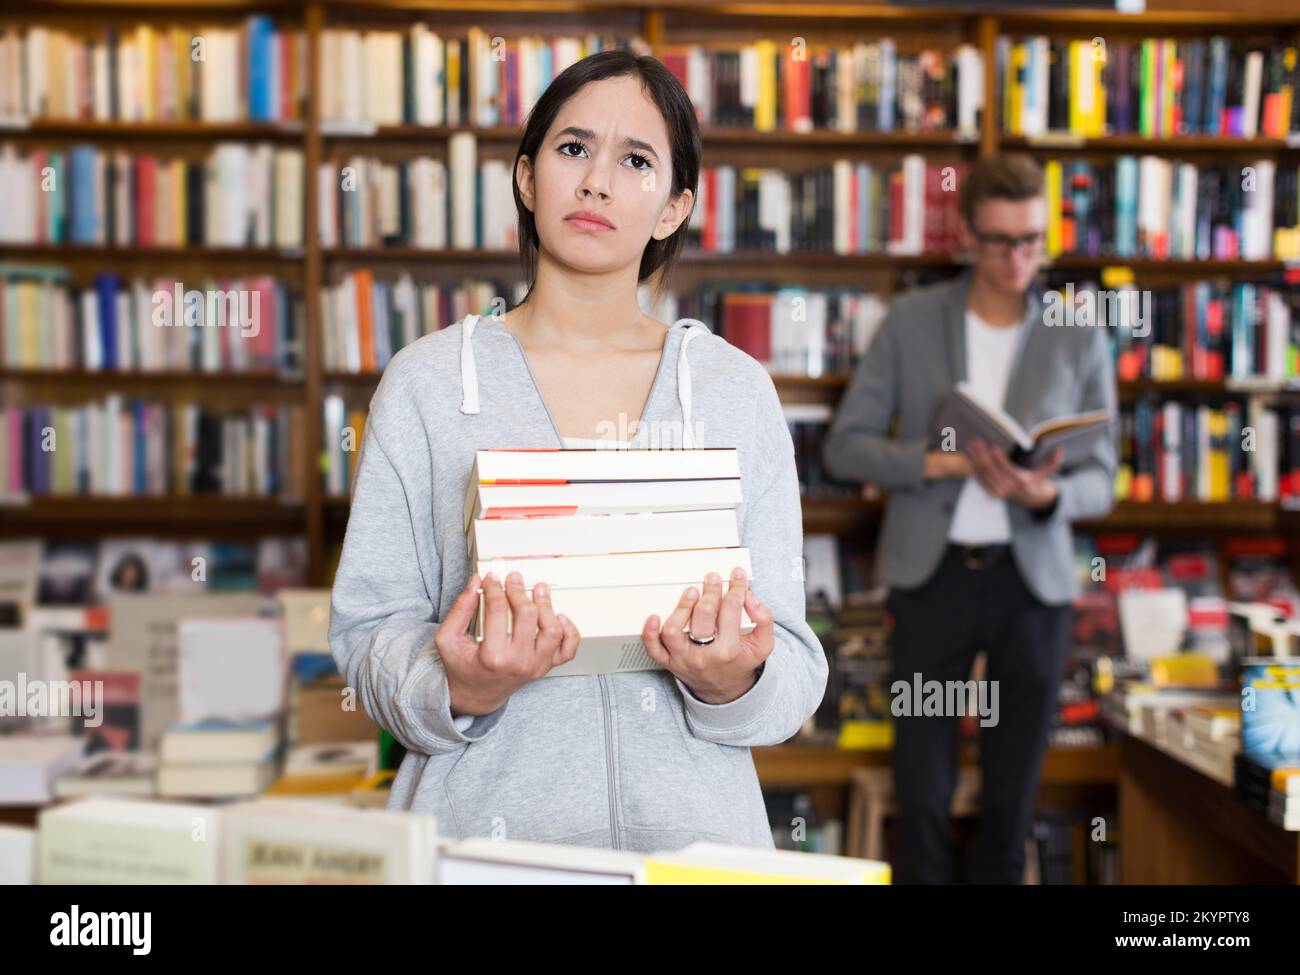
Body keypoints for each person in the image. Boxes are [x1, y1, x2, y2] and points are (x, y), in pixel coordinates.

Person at [328, 50, 827, 852]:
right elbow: (366, 629)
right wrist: (459, 683)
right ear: (527, 179)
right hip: (485, 849)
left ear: (673, 206)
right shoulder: (425, 385)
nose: (597, 180)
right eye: (572, 149)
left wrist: (731, 676)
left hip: (693, 849)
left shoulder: (736, 392)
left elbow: (797, 665)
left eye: (636, 161)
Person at [822, 154, 1117, 883]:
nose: (1018, 259)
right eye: (999, 241)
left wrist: (1046, 495)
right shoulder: (914, 321)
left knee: (1012, 794)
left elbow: (1103, 478)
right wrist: (941, 462)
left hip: (1032, 582)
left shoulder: (1077, 332)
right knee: (922, 791)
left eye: (1031, 241)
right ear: (968, 235)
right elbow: (845, 445)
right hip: (935, 575)